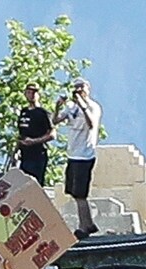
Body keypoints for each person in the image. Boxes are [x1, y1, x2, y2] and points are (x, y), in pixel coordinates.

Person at [58, 82, 103, 237]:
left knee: (80, 194)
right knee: (74, 192)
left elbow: (91, 124)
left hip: (85, 155)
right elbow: (55, 121)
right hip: (73, 154)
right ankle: (88, 223)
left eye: (81, 89)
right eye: (76, 88)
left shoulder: (93, 107)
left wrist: (83, 105)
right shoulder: (71, 107)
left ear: (88, 90)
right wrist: (59, 105)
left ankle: (83, 227)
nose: (78, 91)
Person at [16, 84, 53, 184]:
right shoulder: (24, 112)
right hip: (24, 155)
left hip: (38, 155)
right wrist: (15, 151)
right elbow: (21, 133)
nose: (31, 95)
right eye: (29, 92)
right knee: (22, 184)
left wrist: (34, 141)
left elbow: (52, 134)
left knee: (35, 184)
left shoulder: (43, 113)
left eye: (34, 92)